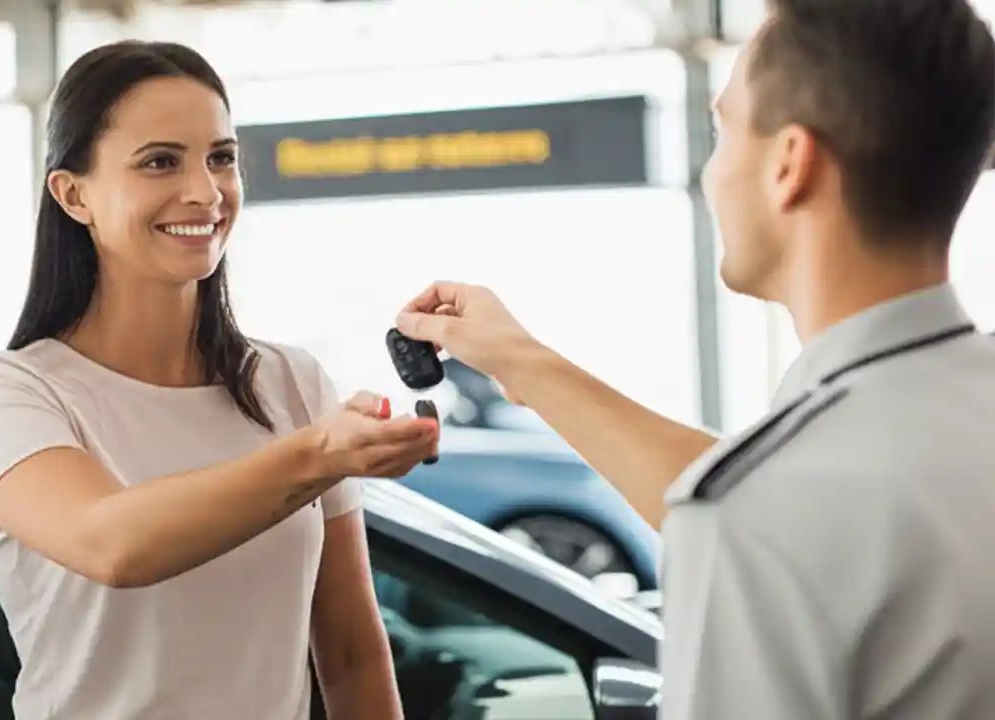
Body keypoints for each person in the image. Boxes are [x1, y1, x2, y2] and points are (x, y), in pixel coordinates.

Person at [396, 1, 995, 717]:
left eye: (723, 130)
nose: (712, 175)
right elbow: (788, 503)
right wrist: (525, 364)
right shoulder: (855, 463)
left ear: (789, 164)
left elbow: (774, 513)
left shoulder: (764, 512)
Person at [0, 40, 437, 719]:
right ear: (73, 193)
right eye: (159, 162)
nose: (205, 192)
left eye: (222, 158)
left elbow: (351, 655)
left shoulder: (291, 383)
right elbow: (111, 543)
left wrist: (326, 449)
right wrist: (321, 454)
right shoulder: (7, 393)